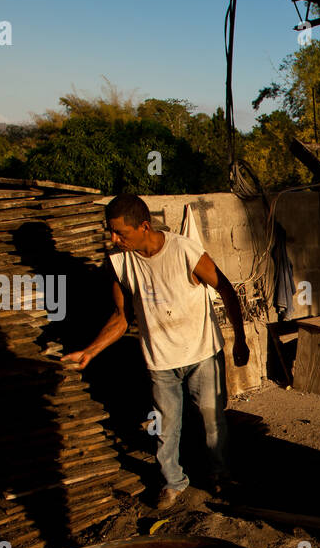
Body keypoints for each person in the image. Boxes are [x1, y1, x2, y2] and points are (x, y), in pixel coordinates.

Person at [63, 193, 250, 510]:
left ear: (144, 226)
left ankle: (219, 475)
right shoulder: (121, 263)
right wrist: (90, 351)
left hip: (203, 353)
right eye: (110, 231)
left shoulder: (184, 250)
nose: (114, 238)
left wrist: (240, 339)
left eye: (120, 232)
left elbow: (226, 288)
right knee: (165, 427)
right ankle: (172, 481)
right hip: (160, 361)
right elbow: (121, 318)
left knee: (212, 420)